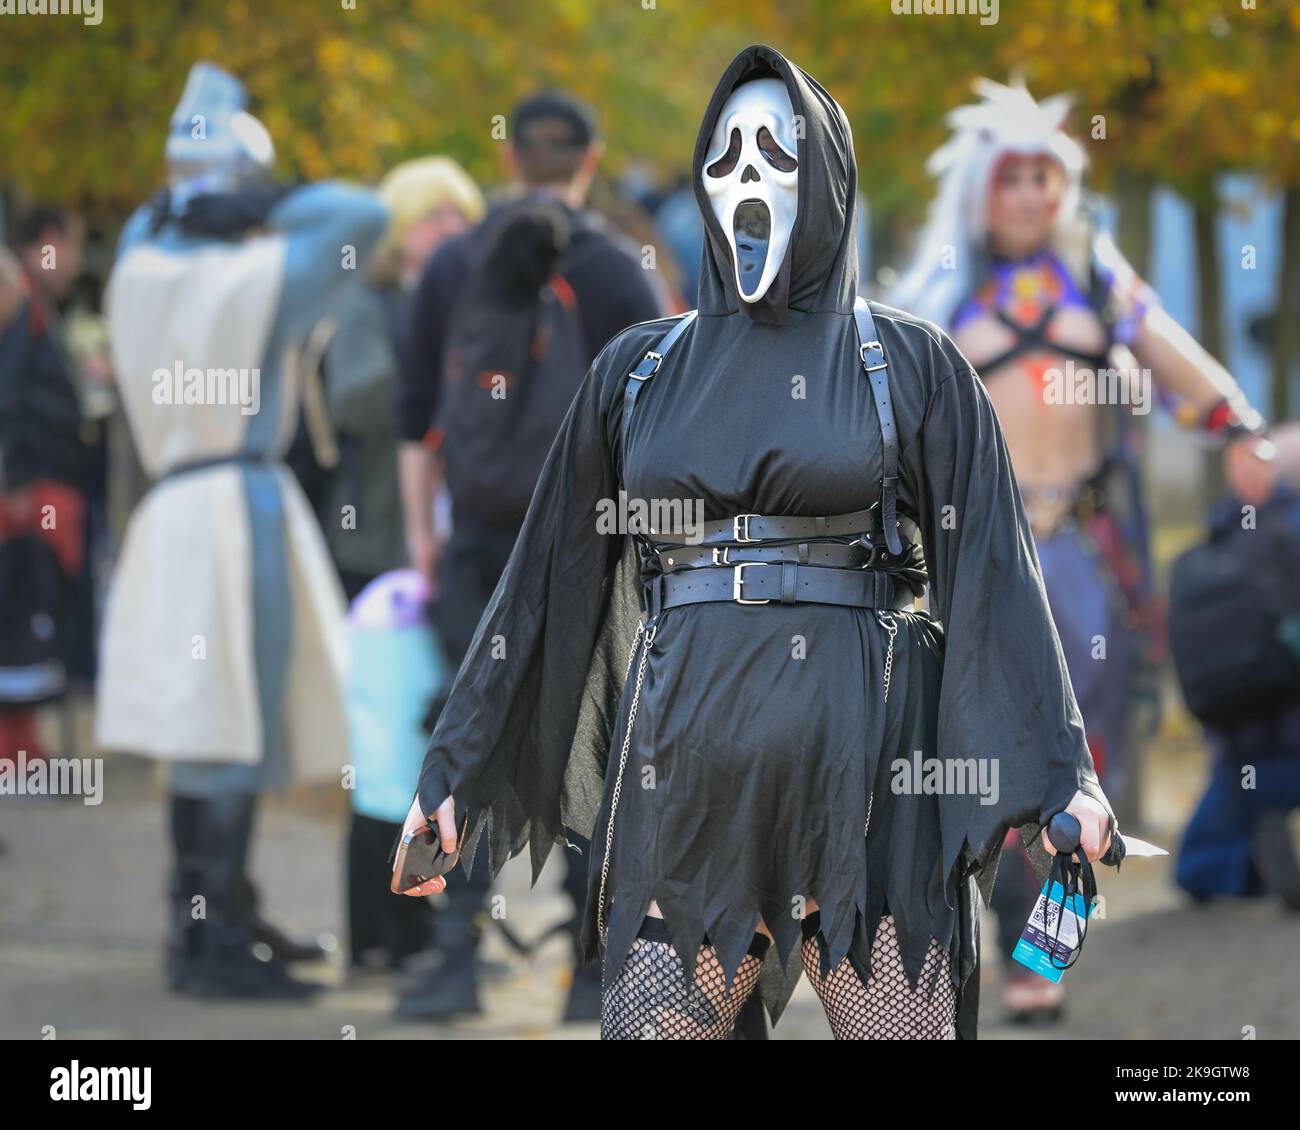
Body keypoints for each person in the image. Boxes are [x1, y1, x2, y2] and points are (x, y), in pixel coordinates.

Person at [394, 44, 1116, 1041]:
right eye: (726, 154)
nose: (748, 176)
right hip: (689, 773)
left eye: (777, 152)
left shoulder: (911, 364)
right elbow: (543, 581)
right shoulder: (637, 371)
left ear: (825, 178)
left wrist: (1057, 775)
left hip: (867, 782)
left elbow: (994, 573)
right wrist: (454, 770)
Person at [889, 77, 1271, 1023]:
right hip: (969, 558)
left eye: (1043, 176)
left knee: (1076, 765)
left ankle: (1045, 958)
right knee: (969, 753)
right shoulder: (938, 296)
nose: (1028, 195)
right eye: (1010, 177)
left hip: (1085, 554)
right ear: (981, 188)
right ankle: (986, 943)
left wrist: (1246, 433)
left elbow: (1197, 380)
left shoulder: (1101, 281)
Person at [97, 61, 388, 999]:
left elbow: (157, 214)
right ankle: (215, 931)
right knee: (231, 728)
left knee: (203, 725)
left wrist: (195, 197)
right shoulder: (260, 268)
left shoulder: (143, 258)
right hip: (235, 506)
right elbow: (359, 216)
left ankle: (214, 917)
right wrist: (265, 199)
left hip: (177, 504)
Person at [393, 90, 663, 1024]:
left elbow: (415, 425)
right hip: (589, 548)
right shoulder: (619, 272)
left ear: (511, 162)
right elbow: (658, 425)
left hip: (477, 545)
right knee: (598, 737)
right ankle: (594, 971)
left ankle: (451, 960)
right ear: (589, 160)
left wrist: (427, 546)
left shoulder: (452, 266)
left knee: (461, 739)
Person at [329, 157, 486, 977]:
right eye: (432, 217)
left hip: (450, 561)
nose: (448, 232)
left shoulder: (472, 306)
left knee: (439, 751)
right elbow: (350, 397)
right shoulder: (370, 306)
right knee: (382, 753)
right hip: (381, 560)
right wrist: (431, 357)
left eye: (460, 217)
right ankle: (375, 938)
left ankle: (434, 934)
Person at [1173, 423, 1300, 911]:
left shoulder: (1218, 536)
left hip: (1234, 733)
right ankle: (1271, 852)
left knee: (1205, 851)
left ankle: (1234, 870)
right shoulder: (1290, 528)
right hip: (1290, 721)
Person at [0, 209, 92, 768]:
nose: (77, 262)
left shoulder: (35, 308)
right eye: (74, 246)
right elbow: (5, 395)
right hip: (31, 492)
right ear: (49, 242)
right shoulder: (23, 307)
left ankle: (23, 743)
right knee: (25, 612)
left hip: (42, 486)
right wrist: (11, 480)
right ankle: (14, 750)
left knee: (36, 611)